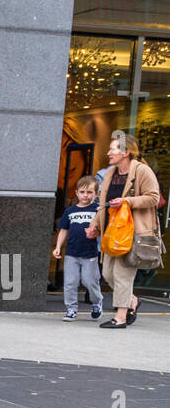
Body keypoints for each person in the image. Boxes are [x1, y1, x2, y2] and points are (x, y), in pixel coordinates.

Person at [86, 132, 162, 328]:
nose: (109, 152)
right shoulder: (111, 173)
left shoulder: (142, 171)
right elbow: (103, 204)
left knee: (122, 274)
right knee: (108, 274)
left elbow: (153, 198)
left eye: (114, 149)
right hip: (112, 232)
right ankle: (132, 301)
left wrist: (127, 201)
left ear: (126, 152)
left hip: (132, 232)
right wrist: (94, 224)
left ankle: (120, 317)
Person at [52, 175, 102, 321]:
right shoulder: (70, 211)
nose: (85, 195)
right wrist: (58, 247)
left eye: (89, 192)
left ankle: (97, 301)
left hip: (90, 253)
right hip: (71, 253)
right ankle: (71, 309)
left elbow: (103, 229)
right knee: (70, 283)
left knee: (89, 281)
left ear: (96, 194)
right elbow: (63, 230)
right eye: (82, 192)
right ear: (76, 193)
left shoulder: (97, 210)